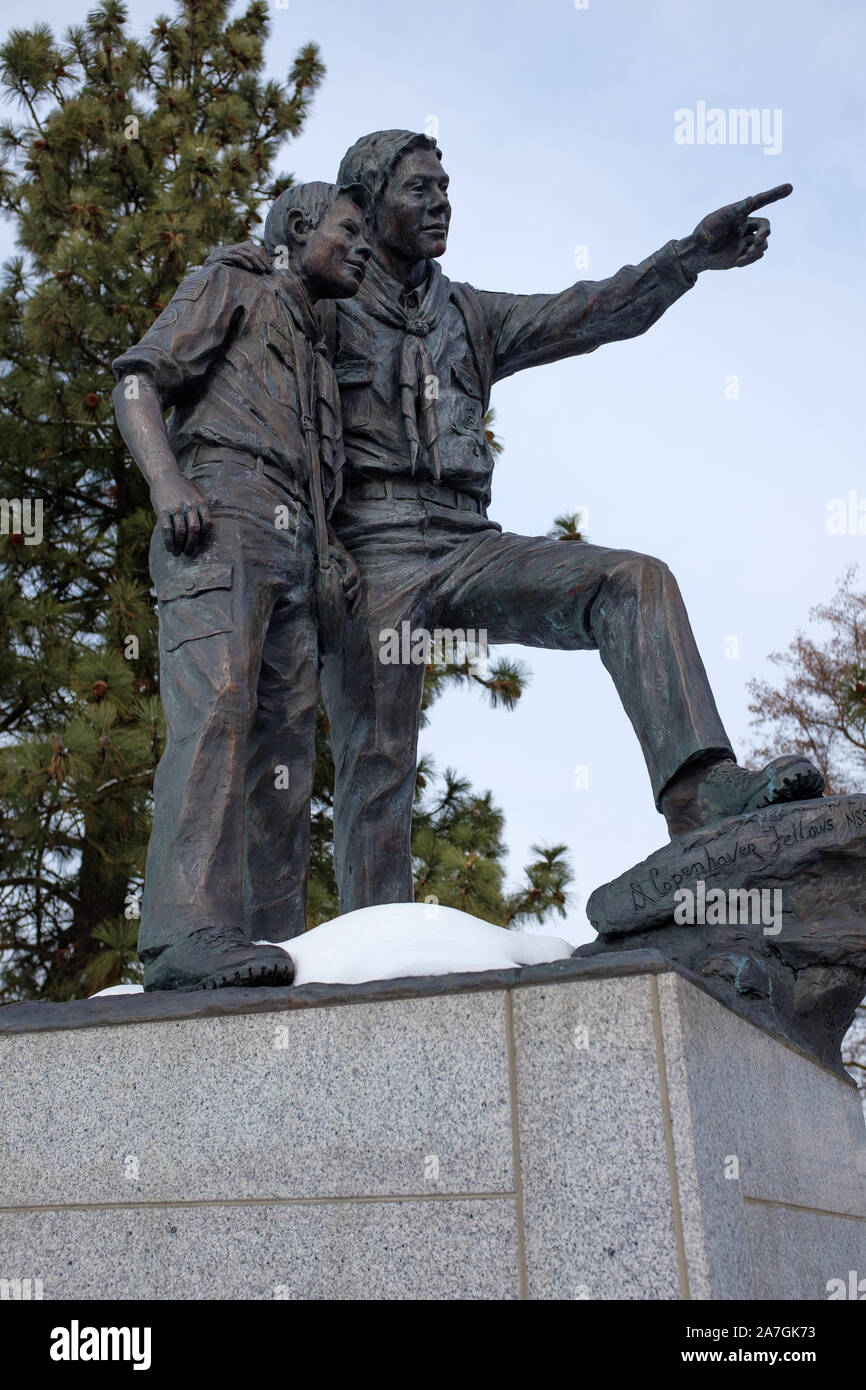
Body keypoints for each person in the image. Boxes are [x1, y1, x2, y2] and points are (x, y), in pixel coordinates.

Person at [318, 130, 823, 916]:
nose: (441, 201)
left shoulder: (470, 314)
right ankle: (374, 949)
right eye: (419, 188)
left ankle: (699, 792)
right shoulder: (325, 305)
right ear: (365, 202)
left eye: (446, 186)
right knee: (376, 755)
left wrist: (686, 258)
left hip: (465, 543)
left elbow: (589, 311)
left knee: (632, 581)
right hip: (371, 546)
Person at [112, 181, 371, 989]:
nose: (362, 248)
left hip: (297, 548)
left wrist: (332, 548)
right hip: (219, 516)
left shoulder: (319, 354)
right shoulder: (233, 283)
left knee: (286, 749)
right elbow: (136, 384)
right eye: (348, 231)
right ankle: (187, 933)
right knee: (217, 711)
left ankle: (267, 943)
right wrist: (166, 484)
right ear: (300, 228)